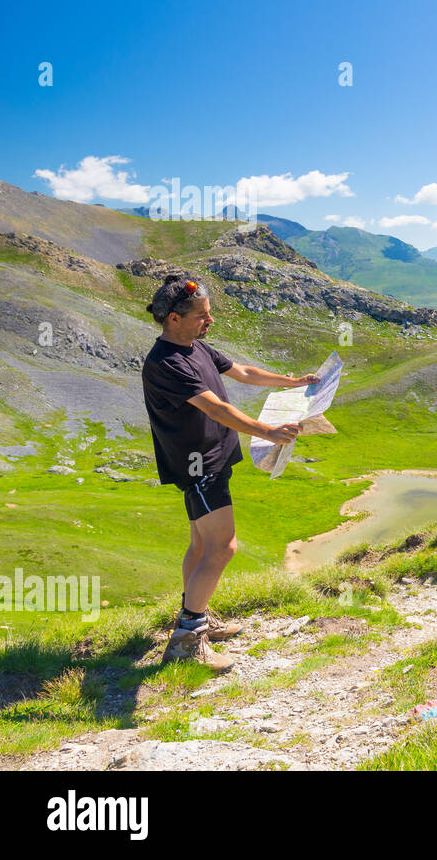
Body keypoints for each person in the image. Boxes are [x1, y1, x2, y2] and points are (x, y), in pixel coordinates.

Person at [141, 275, 317, 672]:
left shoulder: (195, 346)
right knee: (224, 547)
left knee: (202, 546)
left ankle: (198, 617)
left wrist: (292, 382)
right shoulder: (166, 363)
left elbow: (242, 371)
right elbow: (216, 409)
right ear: (173, 318)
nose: (210, 321)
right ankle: (187, 640)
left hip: (212, 459)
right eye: (202, 315)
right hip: (197, 465)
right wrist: (267, 431)